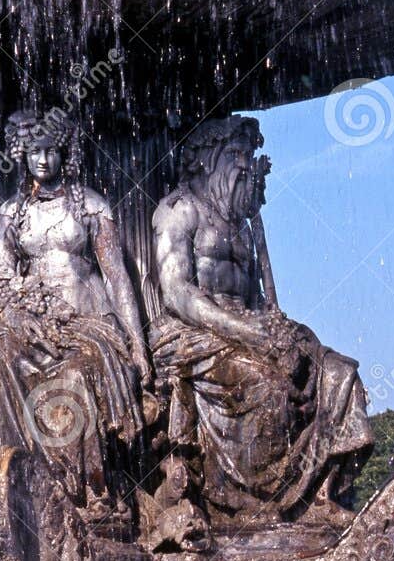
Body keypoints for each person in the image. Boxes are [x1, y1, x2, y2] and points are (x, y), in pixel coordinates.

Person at [150, 116, 372, 534]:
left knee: (340, 374)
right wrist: (245, 331)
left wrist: (277, 330)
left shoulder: (242, 224)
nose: (245, 166)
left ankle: (321, 496)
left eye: (248, 157)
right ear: (206, 160)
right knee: (265, 385)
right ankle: (251, 507)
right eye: (235, 155)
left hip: (250, 325)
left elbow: (258, 297)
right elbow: (177, 293)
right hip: (196, 331)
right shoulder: (179, 210)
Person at [0, 112, 151, 527]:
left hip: (86, 319)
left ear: (65, 152)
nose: (41, 160)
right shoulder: (11, 213)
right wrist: (14, 312)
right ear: (21, 155)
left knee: (77, 375)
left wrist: (137, 342)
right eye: (32, 152)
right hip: (30, 320)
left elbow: (117, 278)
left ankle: (84, 490)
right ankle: (15, 473)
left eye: (49, 150)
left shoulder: (92, 205)